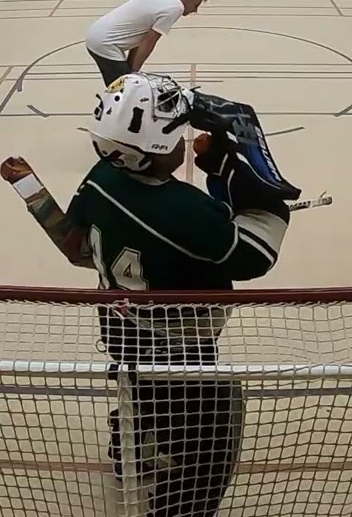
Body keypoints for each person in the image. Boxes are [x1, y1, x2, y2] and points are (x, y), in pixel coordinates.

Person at [65, 72, 293, 516]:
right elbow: (255, 256)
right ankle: (175, 505)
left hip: (118, 323)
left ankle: (128, 447)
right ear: (153, 152)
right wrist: (236, 174)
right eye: (177, 136)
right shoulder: (186, 211)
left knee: (136, 387)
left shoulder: (99, 176)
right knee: (205, 447)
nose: (185, 140)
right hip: (181, 345)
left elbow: (76, 247)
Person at [85, 0, 208, 86]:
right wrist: (134, 71)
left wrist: (132, 70)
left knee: (125, 86)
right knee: (125, 91)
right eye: (196, 4)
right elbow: (149, 41)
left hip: (97, 35)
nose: (195, 10)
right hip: (105, 44)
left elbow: (140, 38)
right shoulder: (176, 7)